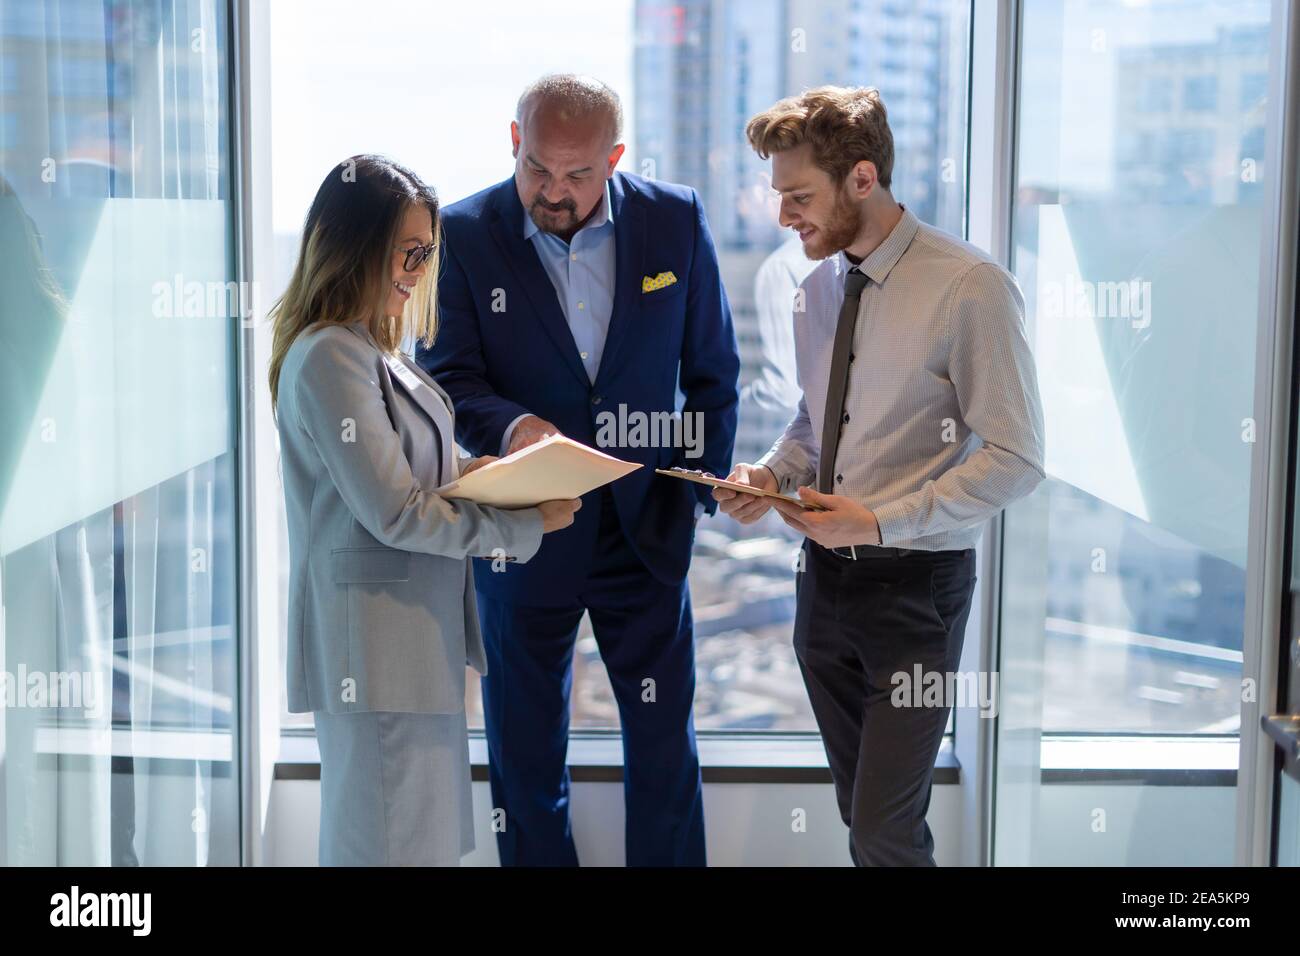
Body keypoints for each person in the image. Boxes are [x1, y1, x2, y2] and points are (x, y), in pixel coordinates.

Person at [715, 87, 1045, 866]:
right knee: (862, 816)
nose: (784, 217)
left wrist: (879, 521)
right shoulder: (815, 289)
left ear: (863, 179)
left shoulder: (970, 287)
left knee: (884, 832)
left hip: (914, 592)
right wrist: (767, 475)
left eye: (800, 197)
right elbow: (816, 421)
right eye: (779, 197)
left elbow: (1018, 458)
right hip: (820, 586)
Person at [418, 75, 739, 866]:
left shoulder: (675, 218)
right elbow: (446, 379)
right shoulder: (460, 232)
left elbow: (713, 371)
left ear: (616, 157)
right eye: (538, 169)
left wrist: (694, 496)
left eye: (578, 173)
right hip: (523, 533)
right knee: (525, 761)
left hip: (645, 534)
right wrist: (517, 425)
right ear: (514, 140)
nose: (554, 192)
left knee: (665, 753)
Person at [269, 154, 580, 866]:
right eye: (407, 251)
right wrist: (521, 524)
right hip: (377, 652)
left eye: (426, 252)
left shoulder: (381, 353)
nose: (418, 268)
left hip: (412, 648)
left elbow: (421, 477)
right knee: (389, 845)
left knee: (417, 844)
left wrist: (499, 474)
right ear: (355, 247)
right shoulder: (328, 359)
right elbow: (396, 512)